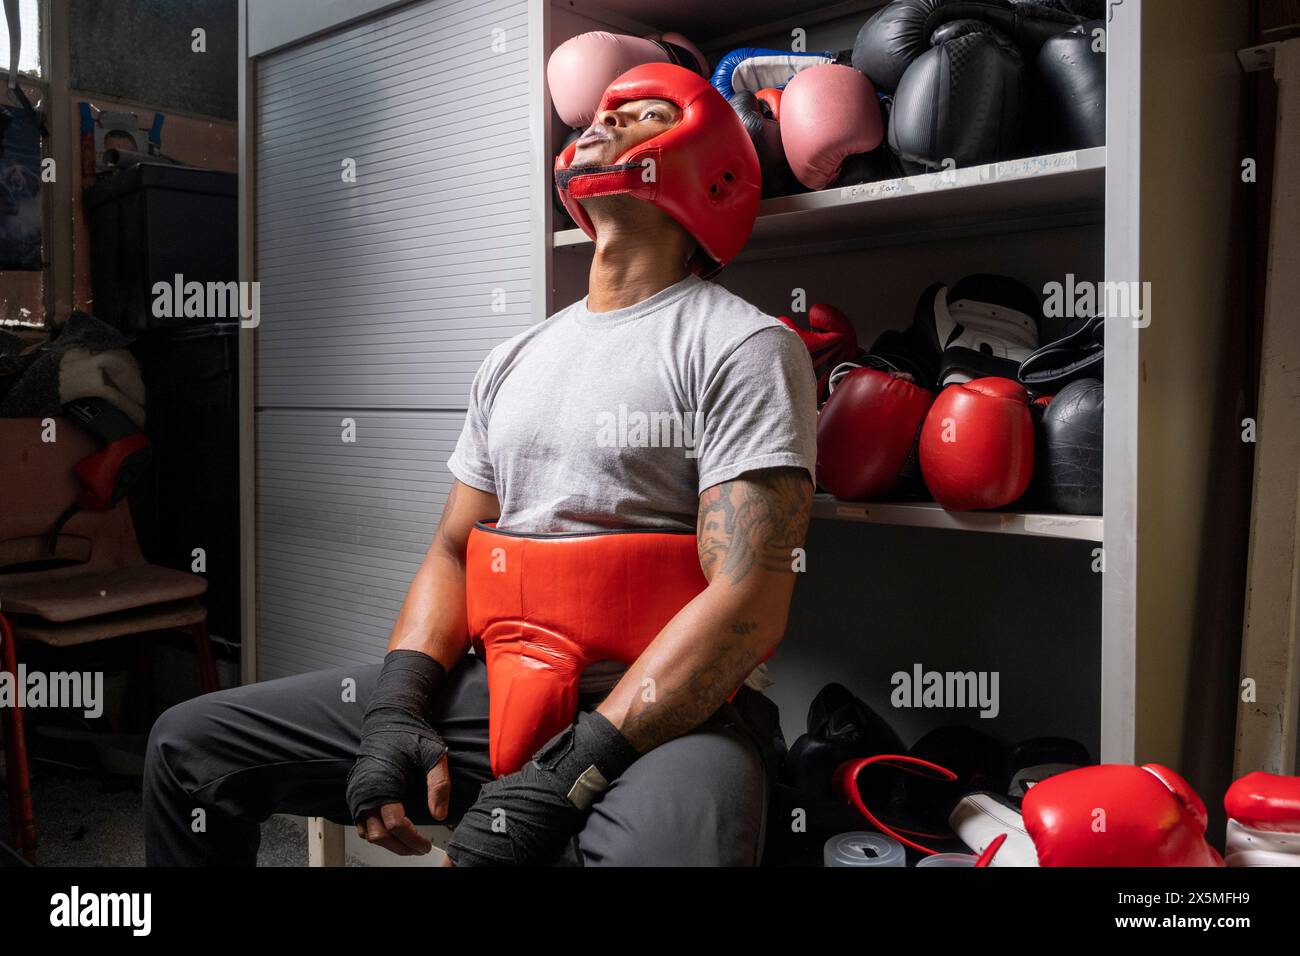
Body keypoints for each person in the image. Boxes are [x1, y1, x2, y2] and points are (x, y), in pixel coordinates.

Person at [143, 63, 817, 867]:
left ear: (711, 166)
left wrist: (567, 772)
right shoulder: (514, 357)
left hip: (672, 712)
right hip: (497, 684)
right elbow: (456, 549)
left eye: (638, 114)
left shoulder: (744, 346)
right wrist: (397, 710)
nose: (597, 124)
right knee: (188, 747)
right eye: (597, 114)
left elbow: (747, 603)